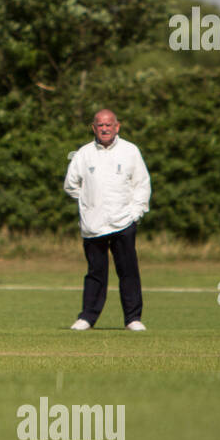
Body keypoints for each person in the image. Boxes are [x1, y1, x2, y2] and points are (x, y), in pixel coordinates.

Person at [63, 109, 151, 331]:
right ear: (94, 128)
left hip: (123, 222)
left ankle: (133, 318)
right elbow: (71, 185)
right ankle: (87, 318)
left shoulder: (130, 151)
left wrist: (135, 213)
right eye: (100, 125)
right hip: (93, 225)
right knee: (96, 272)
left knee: (128, 271)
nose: (104, 129)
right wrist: (89, 204)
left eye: (108, 125)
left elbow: (141, 185)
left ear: (117, 127)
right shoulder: (83, 154)